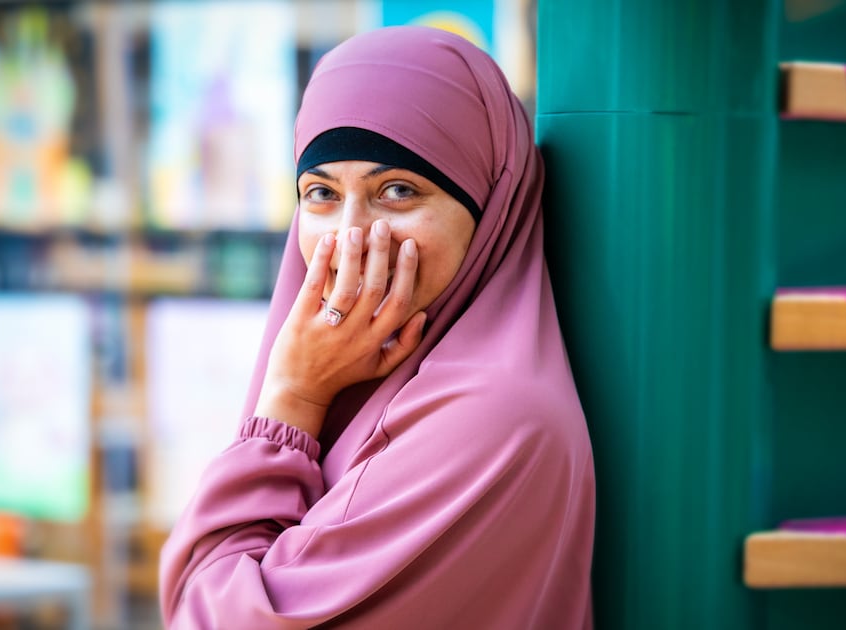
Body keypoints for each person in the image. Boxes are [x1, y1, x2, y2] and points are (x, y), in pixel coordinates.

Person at [159, 25, 595, 629]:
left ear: (490, 209)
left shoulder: (490, 420)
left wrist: (291, 397)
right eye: (320, 193)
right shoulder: (371, 382)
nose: (350, 236)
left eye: (396, 190)